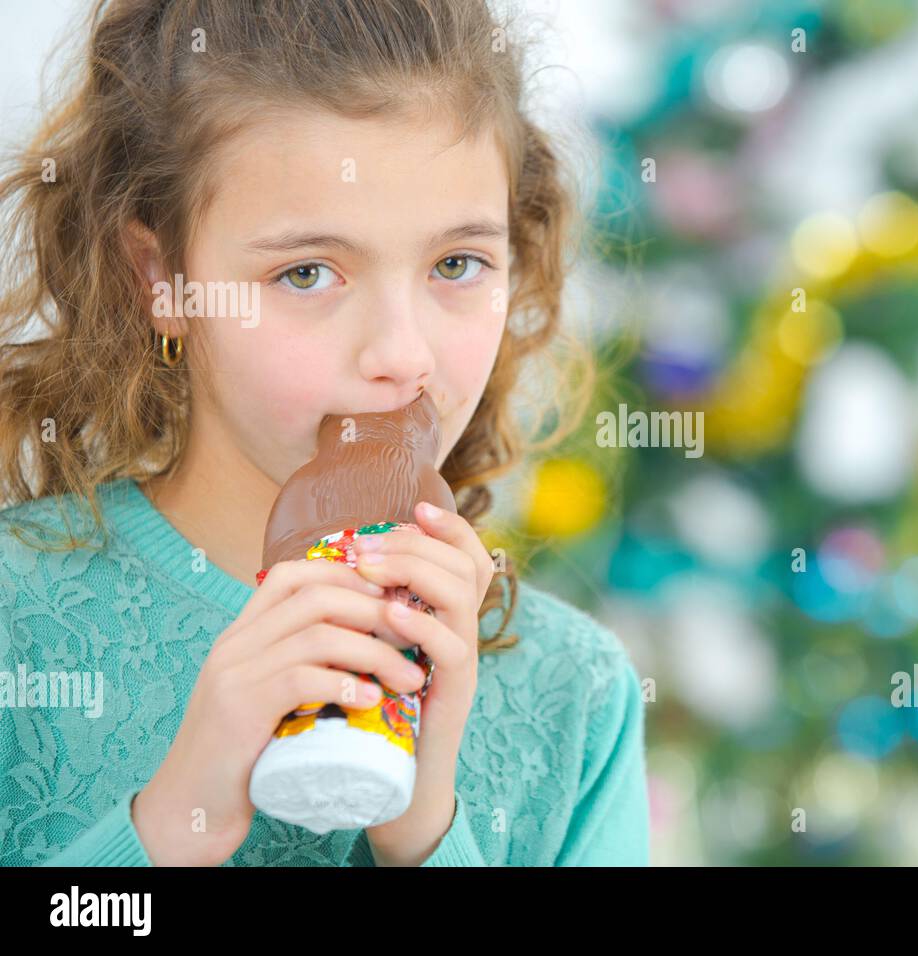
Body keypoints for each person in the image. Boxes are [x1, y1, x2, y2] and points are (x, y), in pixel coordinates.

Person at [0, 0, 648, 867]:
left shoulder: (579, 694)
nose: (401, 355)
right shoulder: (20, 622)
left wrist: (425, 837)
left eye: (457, 265)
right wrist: (167, 829)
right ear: (164, 280)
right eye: (307, 273)